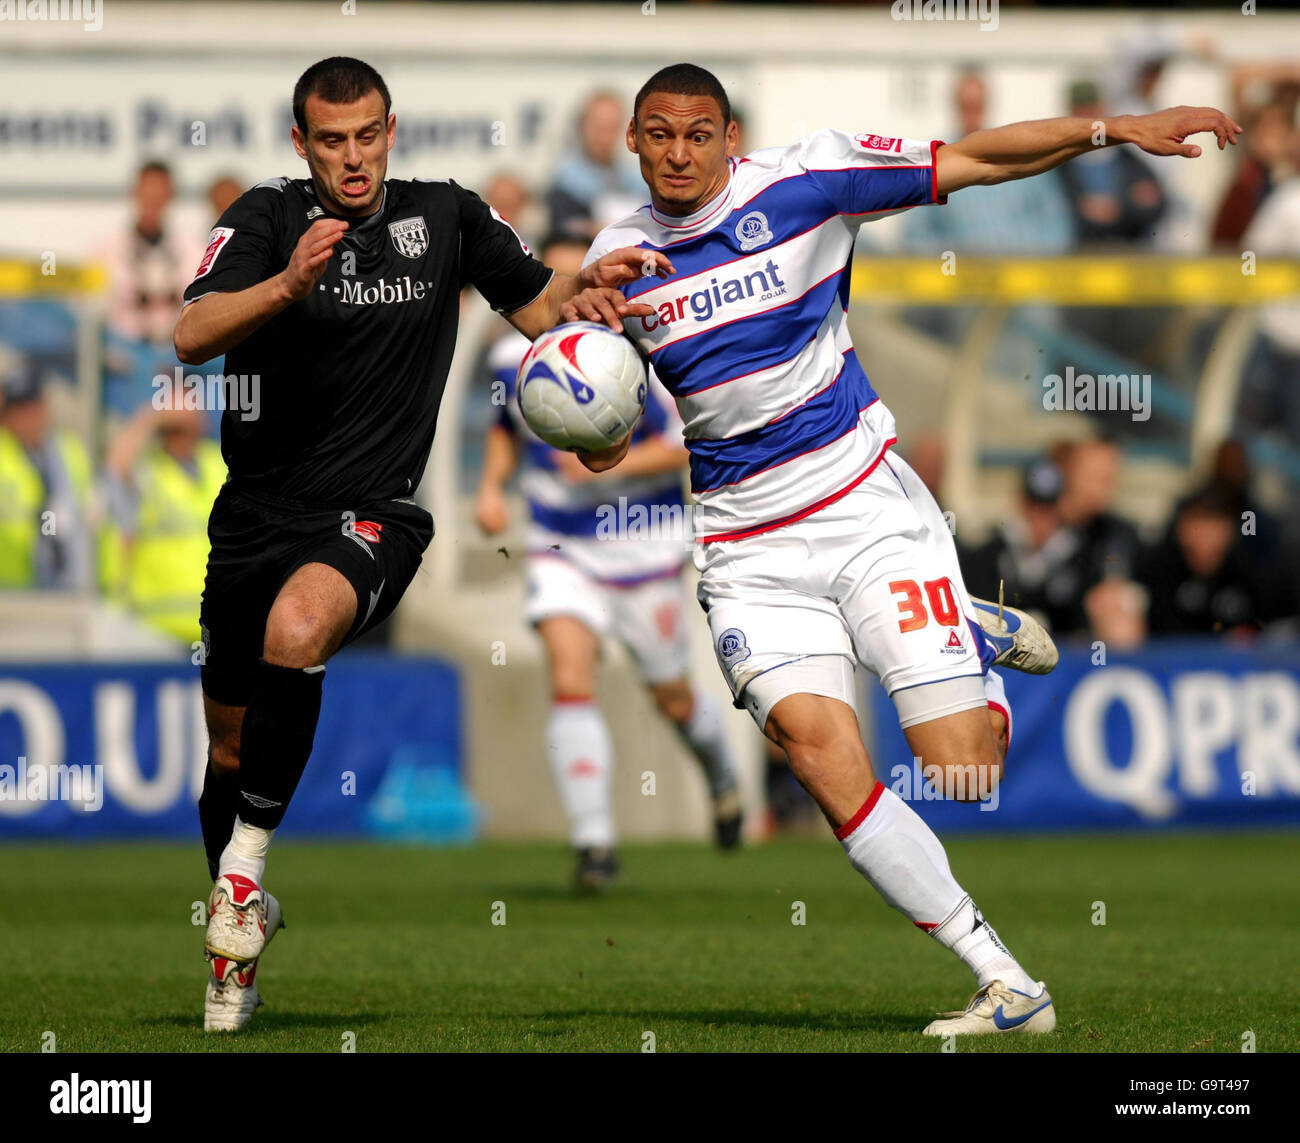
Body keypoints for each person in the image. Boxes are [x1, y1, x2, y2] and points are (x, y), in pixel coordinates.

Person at [560, 63, 1239, 1036]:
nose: (676, 152)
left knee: (965, 770)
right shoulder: (617, 255)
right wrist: (586, 369)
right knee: (817, 752)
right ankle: (1005, 980)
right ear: (632, 142)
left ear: (728, 136)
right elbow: (609, 449)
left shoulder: (808, 183)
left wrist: (1115, 128)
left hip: (864, 508)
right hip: (744, 547)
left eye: (696, 133)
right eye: (657, 134)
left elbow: (977, 158)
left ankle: (963, 628)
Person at [172, 56, 670, 1033]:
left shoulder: (446, 219)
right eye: (330, 140)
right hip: (252, 518)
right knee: (228, 751)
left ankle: (239, 879)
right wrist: (285, 285)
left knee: (298, 624)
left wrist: (587, 296)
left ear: (390, 131)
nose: (351, 159)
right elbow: (191, 334)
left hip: (374, 515)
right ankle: (245, 909)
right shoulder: (267, 220)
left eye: (367, 137)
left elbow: (540, 308)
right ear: (300, 144)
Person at [475, 237, 742, 889]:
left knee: (673, 699)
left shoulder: (644, 350)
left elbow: (688, 443)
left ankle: (720, 772)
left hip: (644, 548)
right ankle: (595, 844)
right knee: (570, 677)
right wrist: (490, 485)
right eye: (556, 276)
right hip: (560, 545)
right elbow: (505, 427)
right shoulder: (512, 358)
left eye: (580, 275)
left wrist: (604, 458)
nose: (572, 293)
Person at [103, 400, 226, 644]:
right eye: (172, 431)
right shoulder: (148, 471)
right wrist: (155, 416)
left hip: (214, 624)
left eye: (185, 428)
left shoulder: (215, 463)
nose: (179, 438)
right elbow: (114, 466)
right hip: (156, 628)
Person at [0, 357, 94, 591]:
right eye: (18, 409)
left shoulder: (69, 452)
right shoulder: (4, 451)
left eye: (33, 406)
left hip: (65, 582)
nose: (28, 417)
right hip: (11, 590)